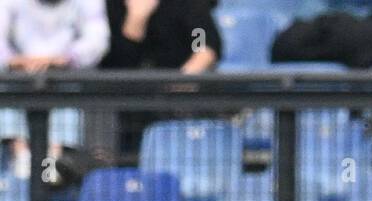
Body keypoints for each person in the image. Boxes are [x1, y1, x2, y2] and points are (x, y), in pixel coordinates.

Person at [0, 0, 109, 179]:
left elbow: (97, 41)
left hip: (67, 79)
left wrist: (66, 59)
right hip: (17, 78)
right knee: (5, 87)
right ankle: (21, 156)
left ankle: (54, 159)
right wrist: (13, 61)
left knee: (68, 88)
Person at [100, 0, 222, 72]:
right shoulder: (105, 6)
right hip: (124, 96)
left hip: (181, 93)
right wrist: (135, 20)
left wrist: (183, 79)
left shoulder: (189, 4)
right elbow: (114, 65)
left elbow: (202, 44)